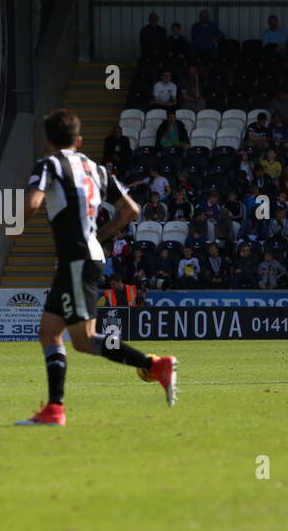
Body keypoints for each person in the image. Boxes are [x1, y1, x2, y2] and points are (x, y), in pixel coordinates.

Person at [17, 109, 177, 426]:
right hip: (84, 256)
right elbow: (130, 209)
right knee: (50, 332)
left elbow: (33, 203)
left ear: (48, 140)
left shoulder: (49, 164)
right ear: (78, 140)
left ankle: (153, 364)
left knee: (84, 338)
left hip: (76, 258)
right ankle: (54, 409)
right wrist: (100, 235)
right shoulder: (97, 169)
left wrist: (12, 225)